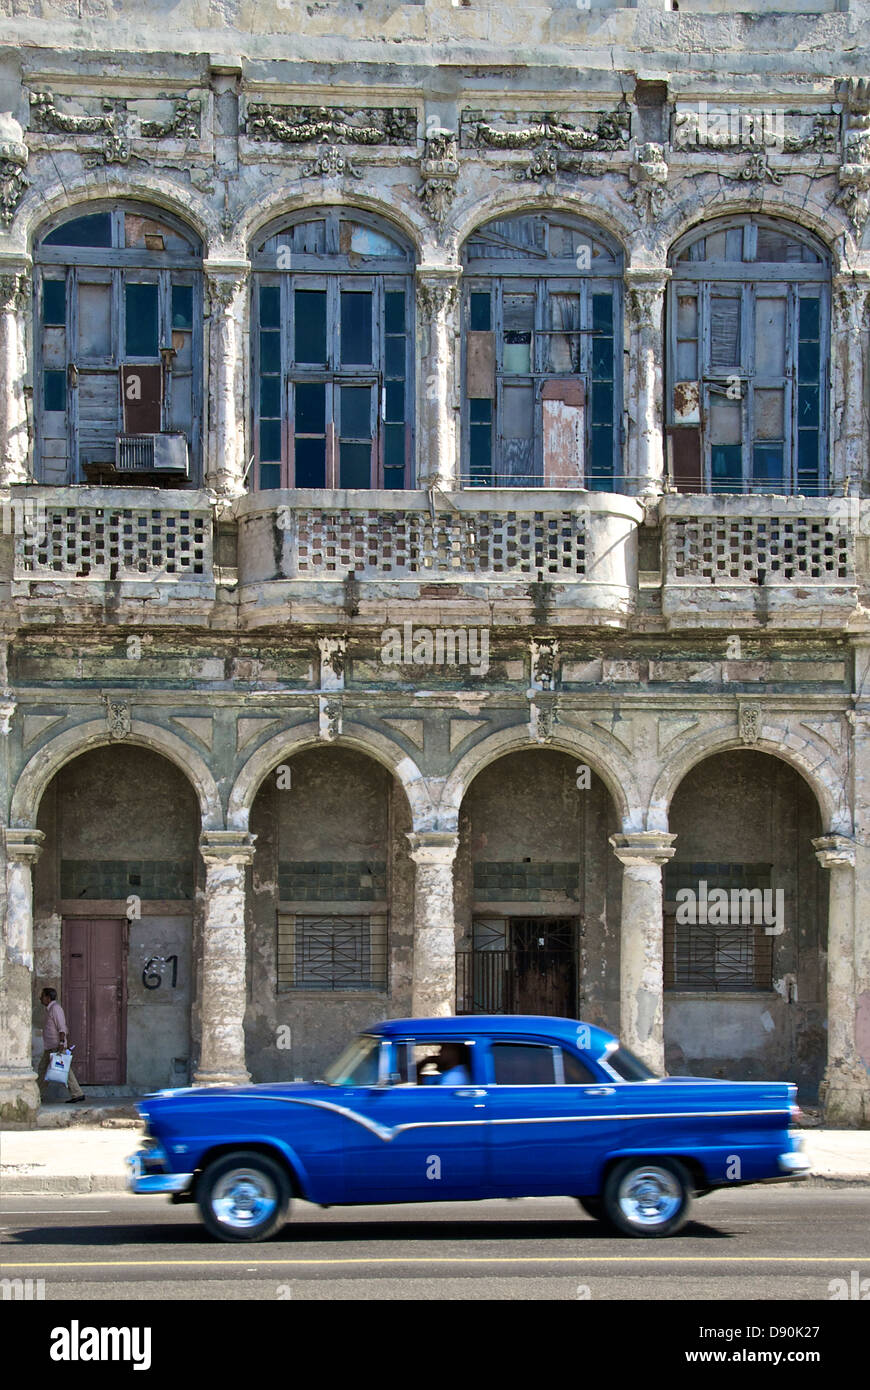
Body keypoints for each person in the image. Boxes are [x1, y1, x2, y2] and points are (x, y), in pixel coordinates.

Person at [36, 988, 85, 1104]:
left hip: (57, 1047)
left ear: (48, 997)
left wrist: (62, 1043)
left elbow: (62, 1027)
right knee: (44, 1070)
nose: (40, 998)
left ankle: (77, 1094)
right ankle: (37, 1094)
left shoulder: (55, 1009)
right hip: (50, 1047)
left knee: (63, 1070)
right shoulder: (49, 1010)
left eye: (42, 996)